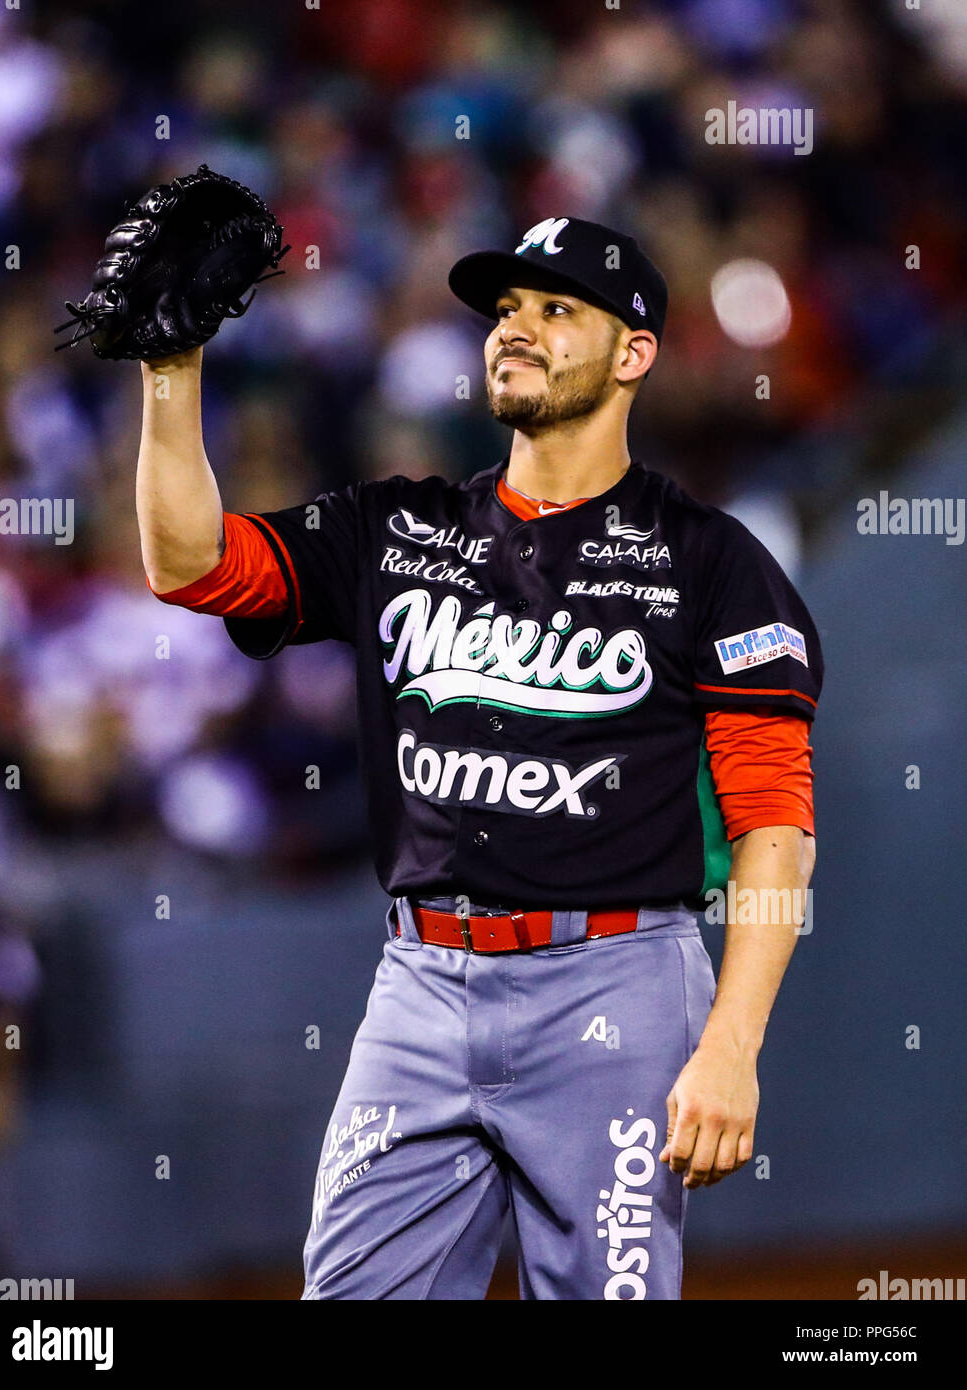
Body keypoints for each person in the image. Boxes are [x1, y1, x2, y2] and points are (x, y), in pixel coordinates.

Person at [135, 215, 822, 1300]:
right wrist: (173, 370)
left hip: (619, 985)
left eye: (557, 310)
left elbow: (773, 829)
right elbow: (194, 565)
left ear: (633, 353)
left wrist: (733, 1044)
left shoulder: (710, 562)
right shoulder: (397, 528)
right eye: (506, 309)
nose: (517, 329)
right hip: (421, 982)